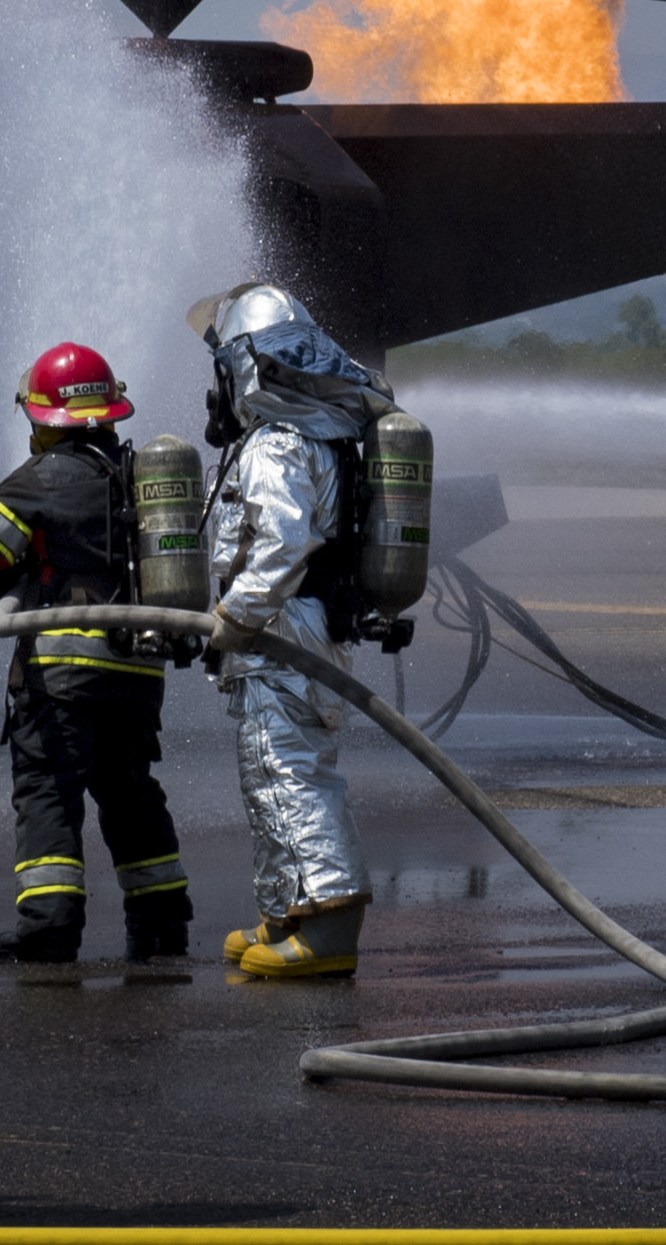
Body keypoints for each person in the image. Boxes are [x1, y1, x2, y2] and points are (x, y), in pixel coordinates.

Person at [0, 342, 195, 963]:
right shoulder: (142, 474)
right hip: (138, 668)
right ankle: (160, 923)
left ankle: (50, 925)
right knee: (130, 791)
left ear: (43, 417)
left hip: (62, 671)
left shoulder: (38, 478)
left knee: (47, 790)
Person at [194, 282, 384, 980]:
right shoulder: (309, 433)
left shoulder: (277, 443)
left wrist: (233, 615)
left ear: (249, 365)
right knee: (268, 772)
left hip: (282, 626)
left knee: (292, 773)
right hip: (286, 629)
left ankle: (329, 926)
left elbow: (282, 542)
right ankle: (287, 913)